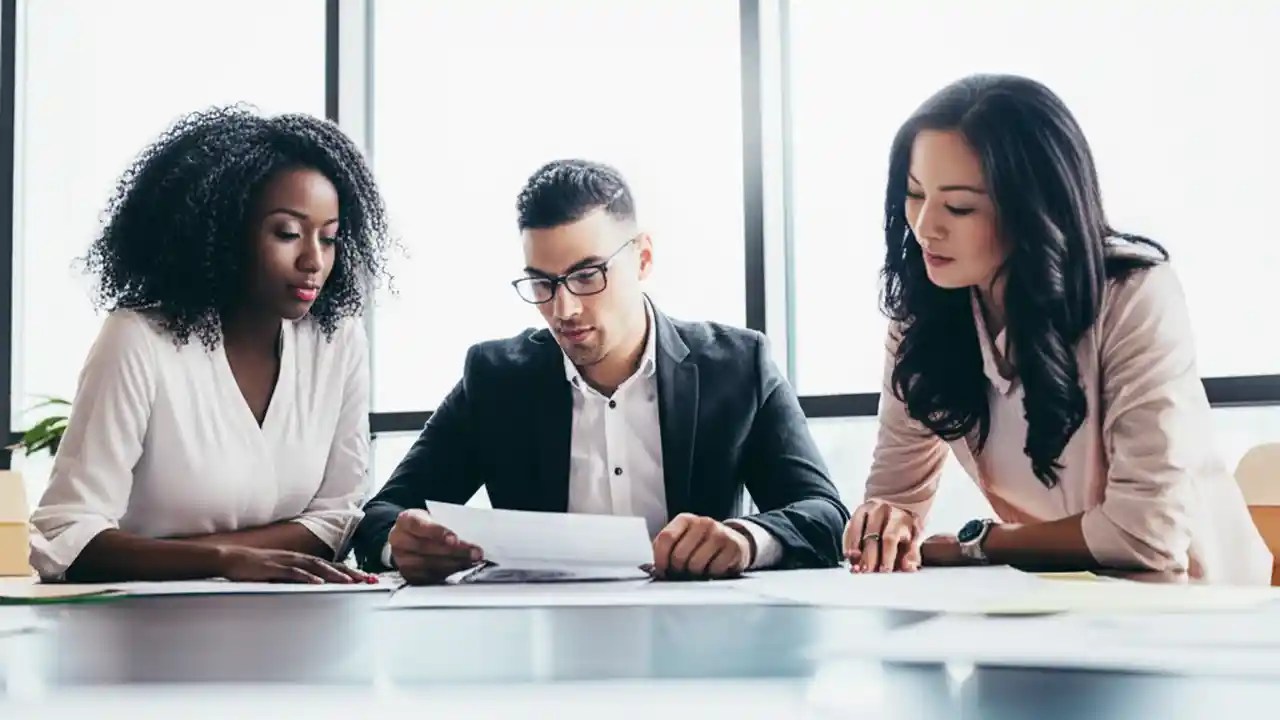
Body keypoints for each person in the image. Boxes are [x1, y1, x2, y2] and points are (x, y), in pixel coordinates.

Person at [844, 74, 1271, 584]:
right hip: (1061, 604)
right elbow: (896, 494)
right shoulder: (924, 315)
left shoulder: (1134, 295)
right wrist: (886, 522)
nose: (926, 226)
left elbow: (1147, 534)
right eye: (915, 195)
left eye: (959, 207)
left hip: (1197, 609)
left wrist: (979, 543)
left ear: (1032, 209)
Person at [353, 159, 848, 584]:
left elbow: (824, 513)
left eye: (588, 275)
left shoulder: (739, 366)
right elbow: (382, 514)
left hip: (696, 639)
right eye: (542, 283)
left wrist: (746, 540)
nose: (564, 308)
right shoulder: (495, 379)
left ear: (644, 258)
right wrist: (401, 547)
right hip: (542, 646)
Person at [29, 106, 395, 584]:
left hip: (293, 625)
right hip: (141, 631)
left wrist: (204, 556)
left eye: (328, 239)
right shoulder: (139, 339)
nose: (313, 260)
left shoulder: (336, 341)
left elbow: (337, 517)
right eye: (287, 233)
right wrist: (224, 561)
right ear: (223, 231)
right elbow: (66, 534)